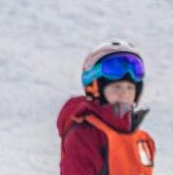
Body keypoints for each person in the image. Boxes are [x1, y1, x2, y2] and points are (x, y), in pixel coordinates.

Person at [59, 41, 156, 174]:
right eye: (117, 87)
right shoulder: (84, 136)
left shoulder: (142, 140)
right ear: (95, 88)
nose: (124, 93)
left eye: (130, 87)